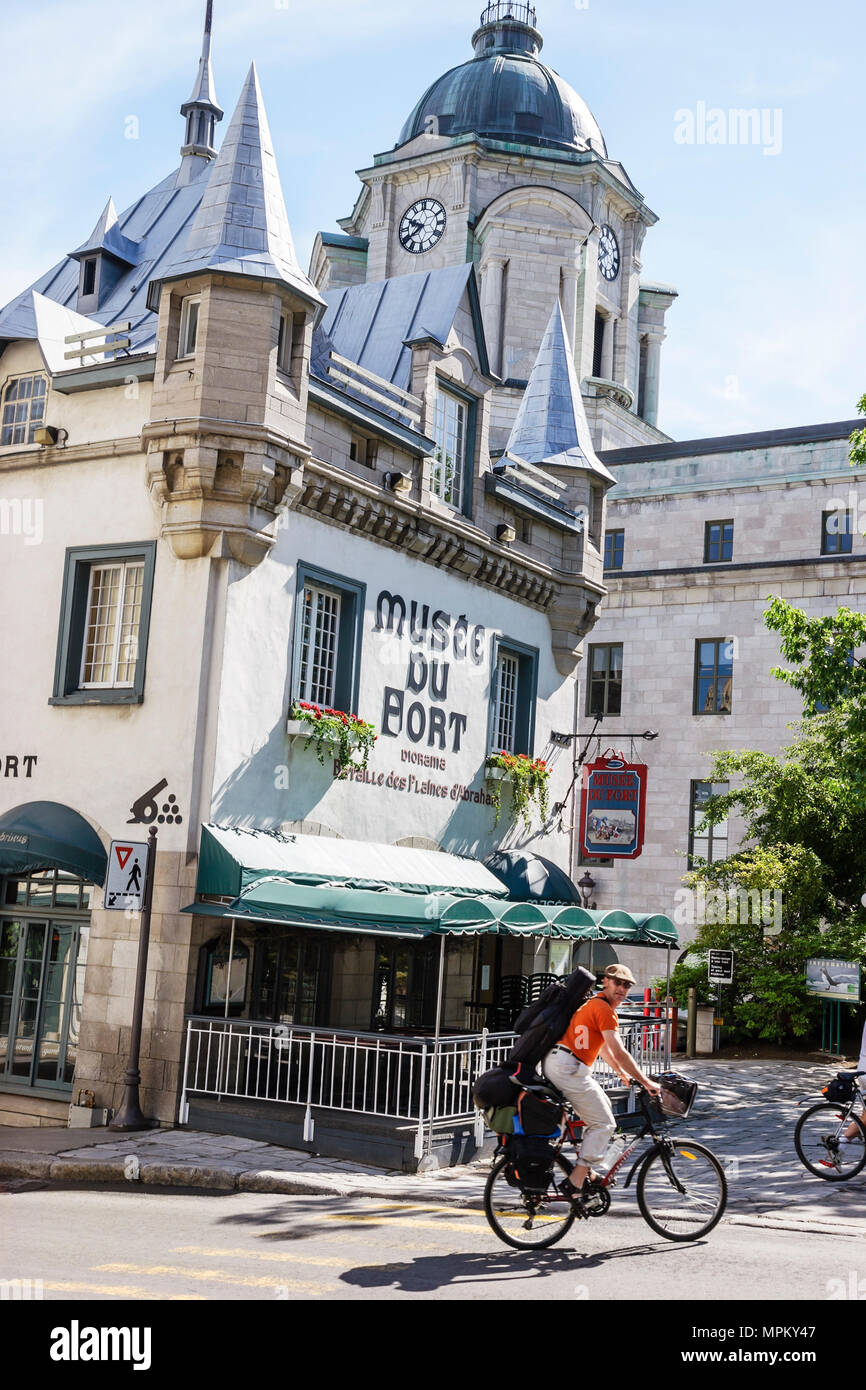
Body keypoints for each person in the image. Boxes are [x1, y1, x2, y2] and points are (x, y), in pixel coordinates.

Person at [542, 963, 661, 1206]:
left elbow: (605, 1049)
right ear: (605, 982)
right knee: (606, 1122)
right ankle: (576, 1181)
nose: (621, 988)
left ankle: (587, 1173)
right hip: (568, 1068)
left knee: (602, 1108)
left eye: (626, 985)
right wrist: (646, 1081)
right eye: (617, 982)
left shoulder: (595, 1005)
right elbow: (619, 1050)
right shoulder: (603, 1009)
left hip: (565, 1065)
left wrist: (620, 1073)